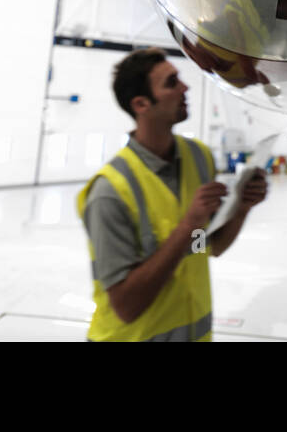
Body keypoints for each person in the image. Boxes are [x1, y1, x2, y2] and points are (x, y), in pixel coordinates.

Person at [76, 47, 267, 342]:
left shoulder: (199, 158)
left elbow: (206, 246)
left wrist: (242, 207)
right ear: (141, 104)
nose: (185, 87)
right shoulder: (110, 192)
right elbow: (126, 306)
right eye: (171, 82)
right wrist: (188, 226)